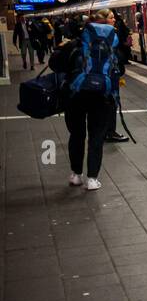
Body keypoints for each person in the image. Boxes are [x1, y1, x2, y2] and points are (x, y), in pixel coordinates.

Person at [50, 10, 124, 191]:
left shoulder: (76, 42)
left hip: (76, 95)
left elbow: (55, 64)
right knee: (96, 137)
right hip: (102, 97)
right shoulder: (112, 45)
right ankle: (92, 179)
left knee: (77, 135)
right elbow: (120, 69)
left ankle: (76, 175)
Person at [104, 10, 131, 143]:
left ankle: (104, 131)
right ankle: (110, 132)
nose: (114, 20)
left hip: (103, 75)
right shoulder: (109, 34)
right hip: (110, 74)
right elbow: (114, 54)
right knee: (111, 103)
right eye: (111, 18)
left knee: (104, 104)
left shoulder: (95, 34)